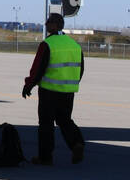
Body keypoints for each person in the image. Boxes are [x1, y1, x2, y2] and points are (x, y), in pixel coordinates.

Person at [22, 13, 85, 164]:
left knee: (46, 124)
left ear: (55, 25)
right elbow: (81, 69)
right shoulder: (74, 45)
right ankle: (77, 143)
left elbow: (38, 68)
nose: (45, 24)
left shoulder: (48, 44)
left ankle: (45, 157)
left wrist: (29, 84)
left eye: (48, 22)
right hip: (68, 91)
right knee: (65, 120)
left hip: (49, 91)